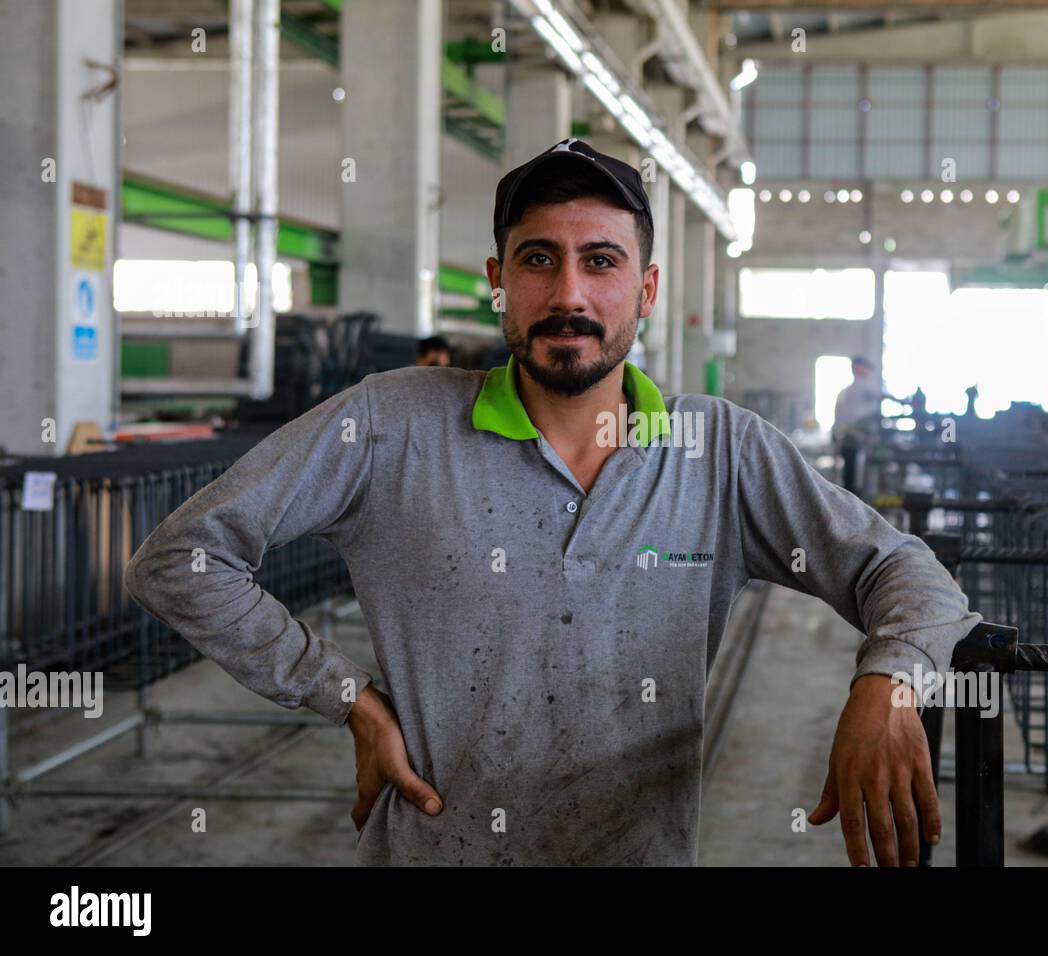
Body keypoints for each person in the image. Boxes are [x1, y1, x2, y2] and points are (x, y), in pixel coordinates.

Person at [124, 137, 980, 867]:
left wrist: (890, 685)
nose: (569, 294)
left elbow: (905, 571)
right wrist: (344, 693)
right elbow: (180, 561)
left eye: (601, 261)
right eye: (540, 260)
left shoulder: (720, 452)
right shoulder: (391, 426)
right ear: (501, 281)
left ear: (644, 291)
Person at [832, 357, 889, 497]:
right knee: (854, 477)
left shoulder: (847, 392)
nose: (868, 371)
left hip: (852, 438)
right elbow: (881, 396)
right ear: (857, 368)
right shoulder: (860, 387)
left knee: (851, 475)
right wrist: (904, 401)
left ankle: (852, 501)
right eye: (865, 367)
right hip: (854, 438)